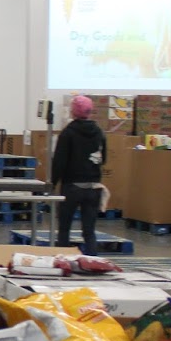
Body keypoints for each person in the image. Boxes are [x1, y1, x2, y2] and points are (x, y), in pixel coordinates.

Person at [51, 94, 108, 257]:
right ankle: (92, 262)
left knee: (64, 228)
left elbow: (60, 162)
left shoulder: (68, 133)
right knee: (89, 231)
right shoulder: (99, 132)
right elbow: (103, 159)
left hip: (72, 187)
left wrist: (53, 183)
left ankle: (63, 261)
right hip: (94, 187)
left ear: (73, 111)